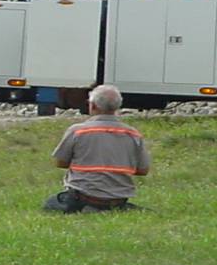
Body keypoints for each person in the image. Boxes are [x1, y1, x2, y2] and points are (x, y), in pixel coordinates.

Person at [44, 84, 150, 213]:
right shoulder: (133, 134)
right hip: (119, 199)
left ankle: (87, 208)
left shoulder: (78, 131)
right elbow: (143, 170)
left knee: (50, 203)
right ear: (118, 106)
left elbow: (61, 162)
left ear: (93, 105)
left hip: (84, 197)